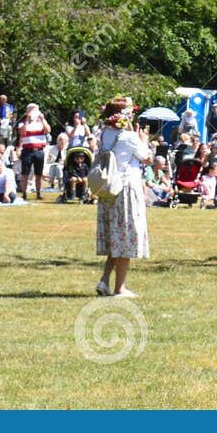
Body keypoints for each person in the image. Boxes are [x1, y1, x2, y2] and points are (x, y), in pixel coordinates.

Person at [94, 97, 151, 298]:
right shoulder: (129, 137)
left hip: (108, 189)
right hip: (126, 189)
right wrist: (143, 139)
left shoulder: (103, 135)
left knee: (114, 237)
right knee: (126, 236)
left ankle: (104, 281)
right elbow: (148, 158)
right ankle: (120, 288)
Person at [17, 103, 51, 200]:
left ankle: (38, 193)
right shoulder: (22, 123)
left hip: (39, 150)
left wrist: (43, 119)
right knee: (25, 173)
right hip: (27, 150)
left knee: (38, 174)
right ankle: (24, 193)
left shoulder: (41, 122)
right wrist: (27, 120)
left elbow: (48, 130)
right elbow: (22, 132)